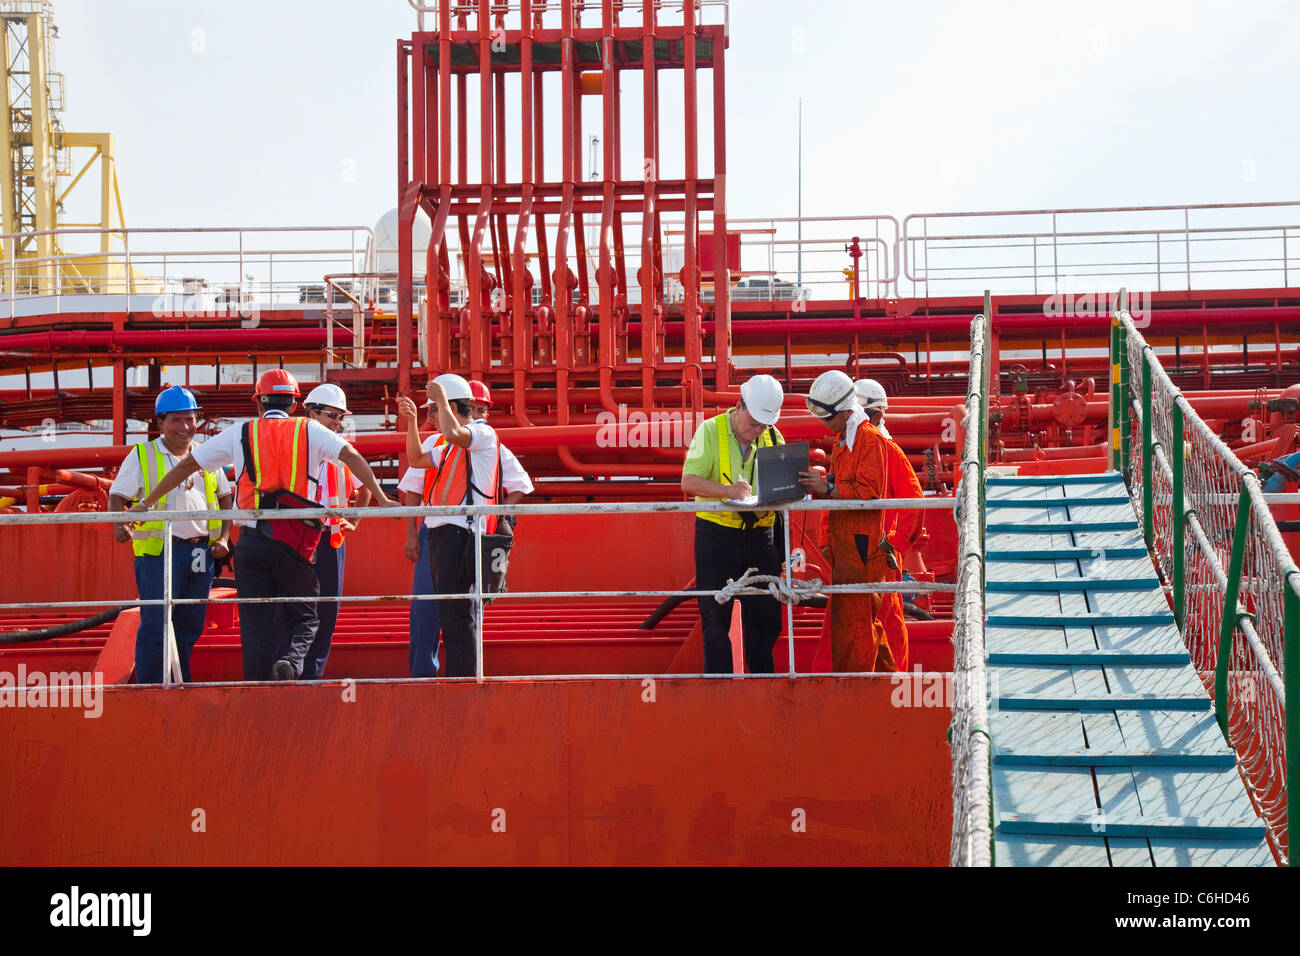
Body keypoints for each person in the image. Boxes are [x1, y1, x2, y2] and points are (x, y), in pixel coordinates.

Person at [130, 369, 391, 681]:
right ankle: (293, 667)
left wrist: (148, 501)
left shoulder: (241, 432)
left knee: (255, 622)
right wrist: (381, 498)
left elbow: (188, 465)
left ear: (258, 403)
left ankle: (256, 686)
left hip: (251, 542)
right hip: (295, 540)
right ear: (295, 404)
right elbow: (352, 456)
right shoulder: (310, 430)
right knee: (306, 616)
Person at [400, 379, 532, 677]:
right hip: (441, 533)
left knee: (458, 615)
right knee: (450, 614)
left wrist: (498, 517)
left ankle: (463, 681)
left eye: (434, 409)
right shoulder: (444, 444)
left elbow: (456, 433)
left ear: (455, 406)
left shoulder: (482, 434)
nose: (431, 416)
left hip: (462, 534)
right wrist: (410, 423)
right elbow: (416, 459)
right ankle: (457, 679)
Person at [107, 386, 233, 684]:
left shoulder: (206, 455)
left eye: (190, 419)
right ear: (160, 423)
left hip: (201, 552)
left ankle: (179, 682)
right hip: (159, 553)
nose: (185, 427)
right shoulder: (142, 456)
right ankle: (150, 687)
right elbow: (117, 496)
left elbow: (226, 496)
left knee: (190, 624)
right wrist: (118, 525)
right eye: (176, 420)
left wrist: (224, 539)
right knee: (157, 624)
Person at [680, 373, 787, 674]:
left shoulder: (773, 435)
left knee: (766, 617)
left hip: (761, 537)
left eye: (763, 425)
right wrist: (727, 492)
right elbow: (688, 481)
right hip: (717, 537)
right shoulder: (709, 431)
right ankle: (720, 688)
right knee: (715, 618)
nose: (757, 431)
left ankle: (764, 683)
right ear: (739, 406)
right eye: (753, 423)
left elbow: (781, 483)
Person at [798, 369, 894, 672]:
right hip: (848, 543)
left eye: (827, 418)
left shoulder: (869, 439)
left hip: (862, 544)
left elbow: (871, 492)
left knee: (857, 622)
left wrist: (826, 487)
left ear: (843, 411)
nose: (823, 425)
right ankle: (875, 681)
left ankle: (860, 685)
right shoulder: (844, 440)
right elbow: (842, 484)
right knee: (852, 620)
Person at [294, 383, 372, 679]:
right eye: (332, 415)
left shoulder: (342, 452)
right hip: (298, 539)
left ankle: (312, 676)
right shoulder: (295, 448)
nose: (338, 423)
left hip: (331, 539)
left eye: (341, 417)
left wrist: (355, 519)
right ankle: (291, 671)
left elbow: (363, 490)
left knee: (327, 611)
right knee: (295, 607)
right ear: (311, 413)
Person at [854, 377, 924, 672]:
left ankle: (891, 690)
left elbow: (914, 500)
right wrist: (826, 541)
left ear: (877, 414)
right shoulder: (850, 447)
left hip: (878, 558)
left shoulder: (887, 450)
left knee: (887, 626)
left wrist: (893, 544)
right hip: (851, 557)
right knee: (853, 628)